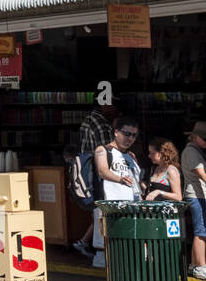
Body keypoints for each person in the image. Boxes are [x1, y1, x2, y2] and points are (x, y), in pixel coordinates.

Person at [91, 114, 144, 268]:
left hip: (132, 206)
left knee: (129, 246)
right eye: (126, 134)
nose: (130, 138)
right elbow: (102, 171)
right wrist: (120, 179)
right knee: (111, 246)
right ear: (116, 132)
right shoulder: (103, 150)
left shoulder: (131, 156)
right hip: (110, 207)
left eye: (134, 135)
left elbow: (137, 182)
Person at [72, 104, 119, 259]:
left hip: (89, 170)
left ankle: (86, 243)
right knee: (102, 210)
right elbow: (110, 151)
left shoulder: (88, 120)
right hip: (100, 172)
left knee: (97, 211)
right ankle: (101, 252)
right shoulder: (103, 125)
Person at [181, 122, 206, 281]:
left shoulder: (195, 151)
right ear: (195, 136)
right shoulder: (191, 152)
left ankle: (194, 264)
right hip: (198, 195)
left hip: (201, 195)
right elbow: (201, 173)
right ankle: (201, 266)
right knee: (202, 232)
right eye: (205, 139)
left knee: (201, 230)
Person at [145, 138, 184, 202]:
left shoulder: (171, 170)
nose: (149, 156)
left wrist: (159, 192)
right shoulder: (154, 168)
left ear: (162, 153)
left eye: (152, 153)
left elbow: (178, 197)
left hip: (165, 210)